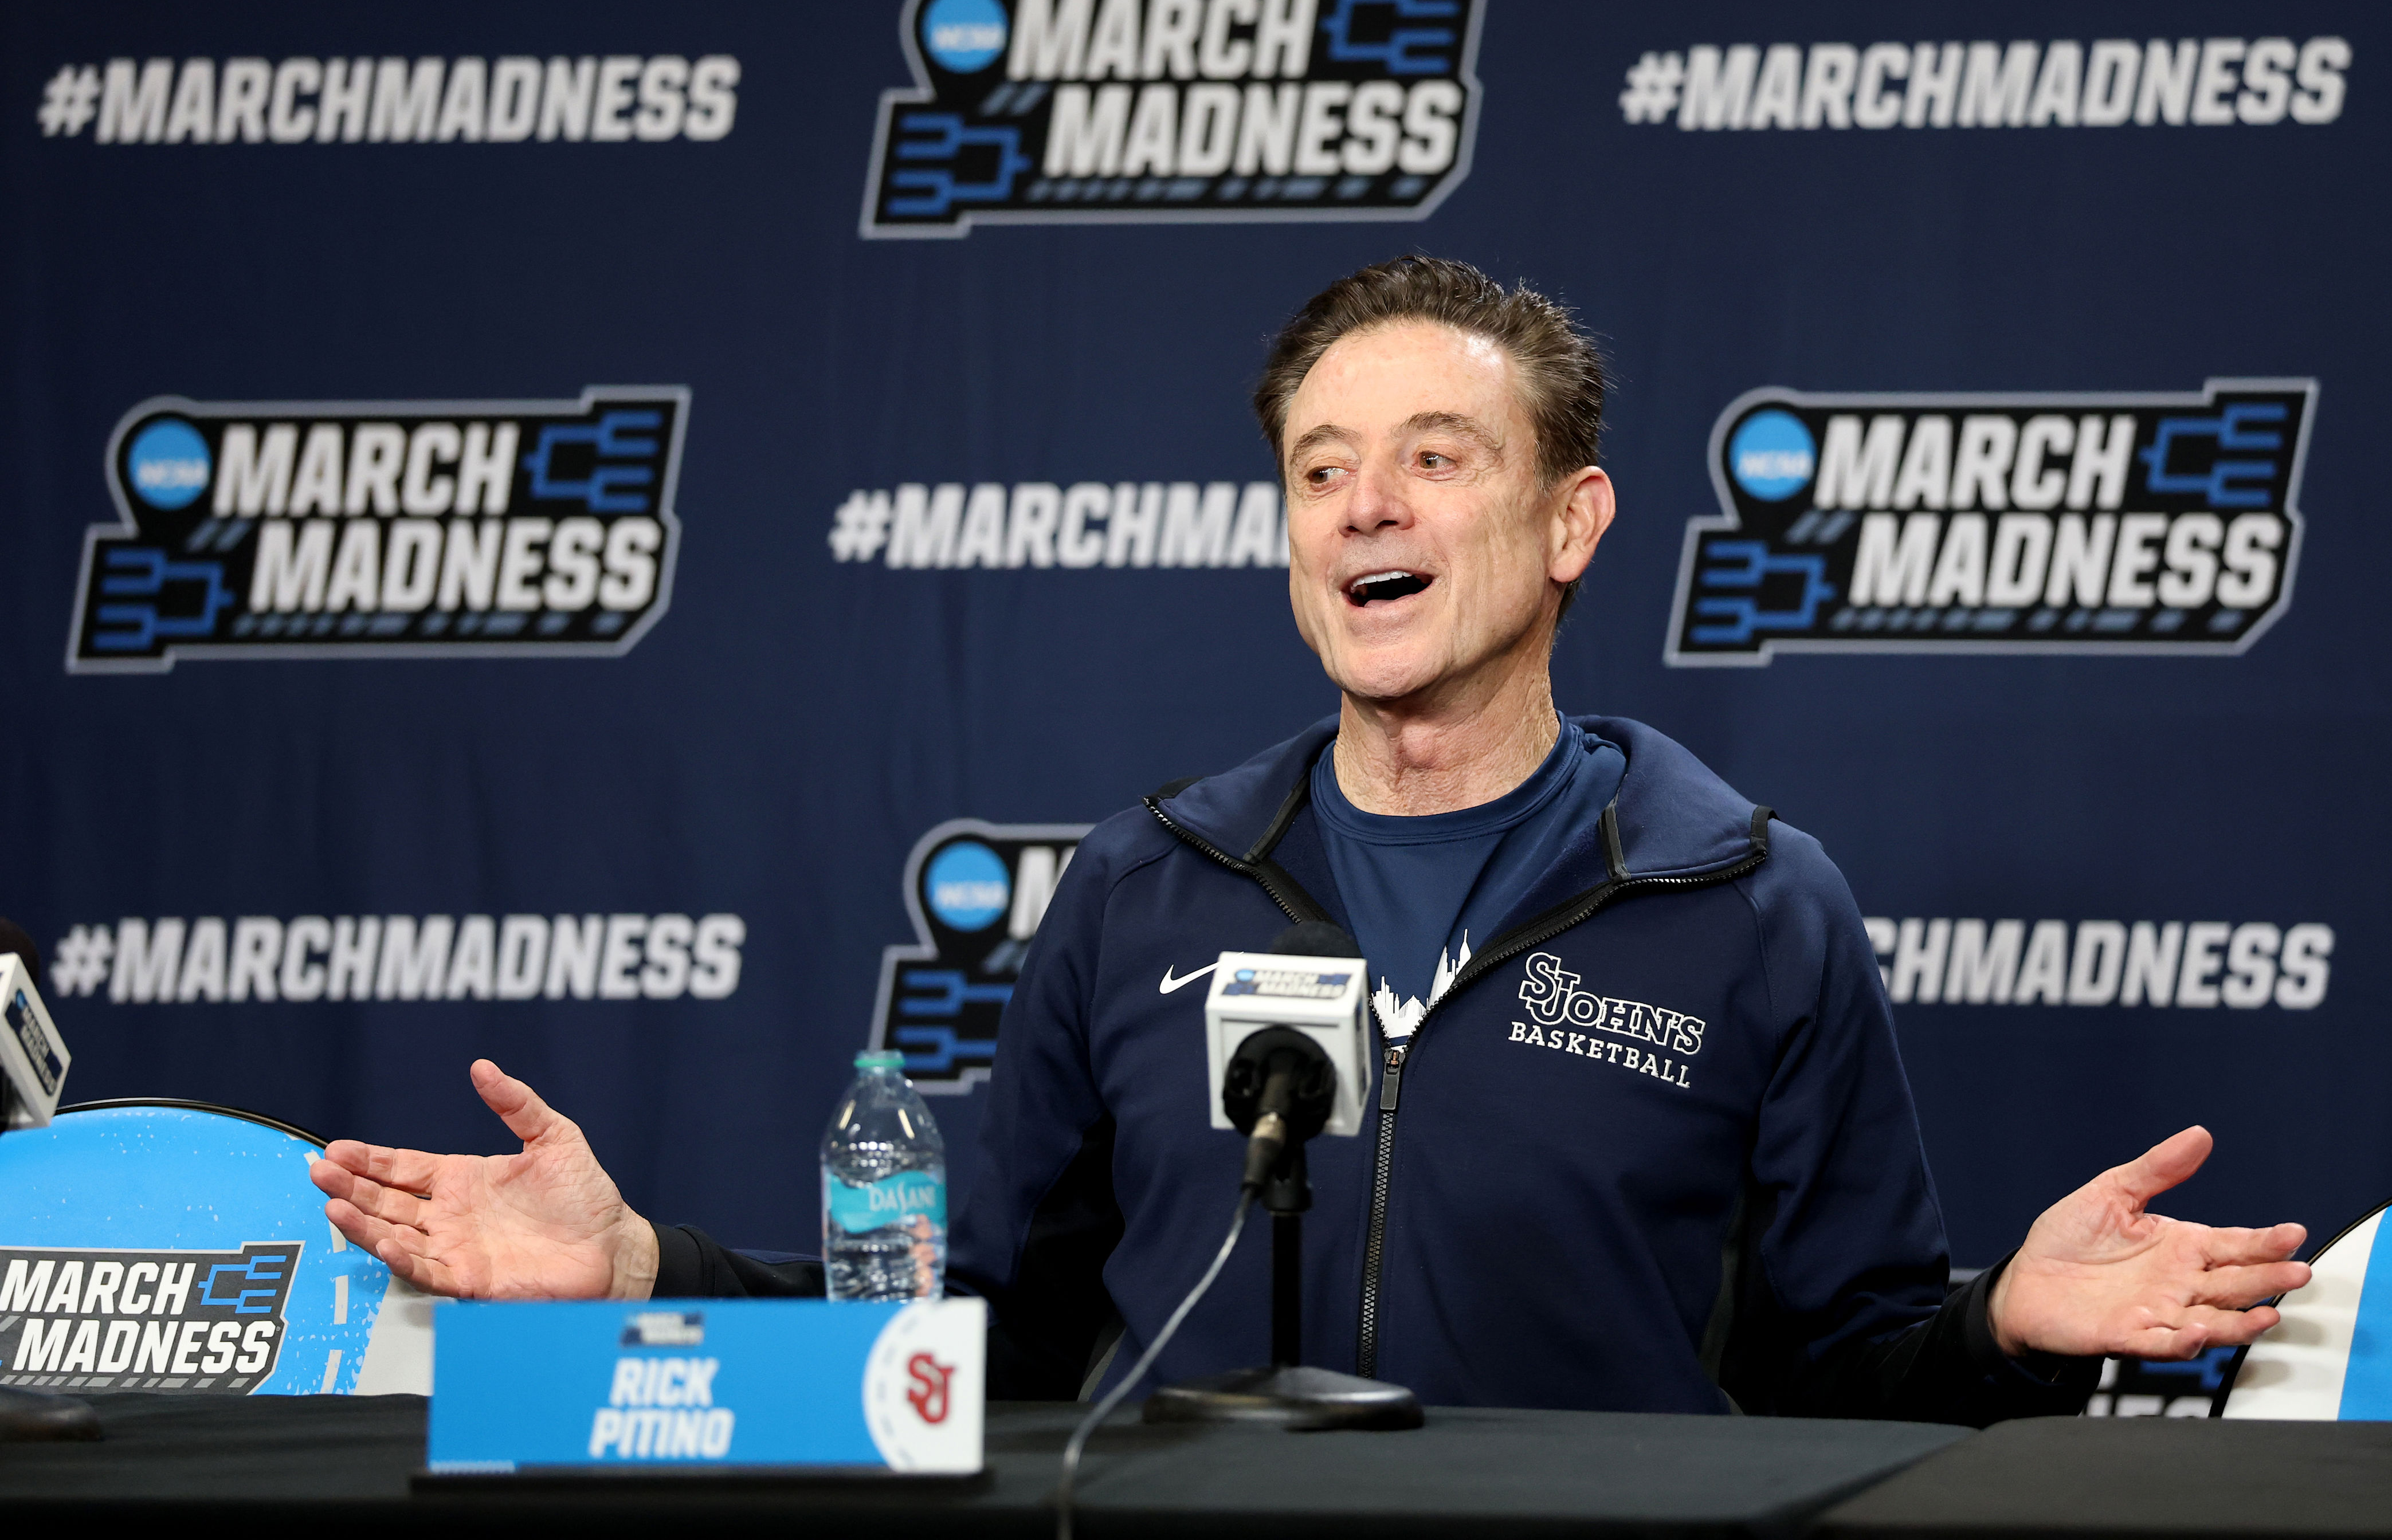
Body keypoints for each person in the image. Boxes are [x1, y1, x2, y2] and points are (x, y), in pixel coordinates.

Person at [312, 257, 2311, 1421]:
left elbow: (1838, 1359)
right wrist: (647, 1259)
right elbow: (969, 1321)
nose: (1369, 509)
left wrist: (2009, 1322)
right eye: (1322, 469)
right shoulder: (1144, 881)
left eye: (1437, 462)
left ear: (1570, 524)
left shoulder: (1753, 901)